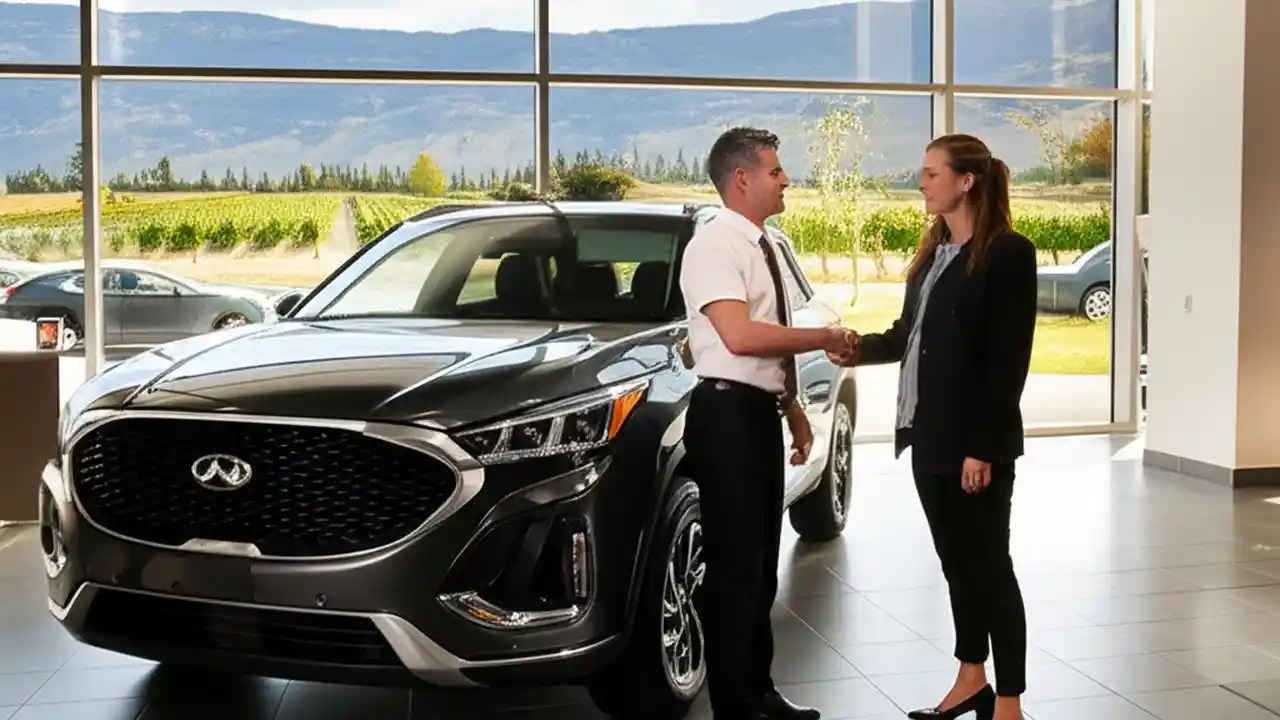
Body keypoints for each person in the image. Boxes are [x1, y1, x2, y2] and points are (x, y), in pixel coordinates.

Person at [831, 134, 1036, 720]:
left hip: (975, 446)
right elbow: (906, 337)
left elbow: (1007, 364)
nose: (921, 183)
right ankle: (971, 676)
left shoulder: (1007, 254)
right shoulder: (934, 254)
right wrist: (857, 349)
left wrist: (983, 449)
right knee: (955, 564)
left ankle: (1010, 701)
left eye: (930, 173)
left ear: (965, 181)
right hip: (928, 437)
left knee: (991, 566)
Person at [679, 126, 855, 720]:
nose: (786, 180)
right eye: (776, 171)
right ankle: (735, 704)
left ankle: (759, 693)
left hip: (757, 414)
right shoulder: (713, 245)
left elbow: (770, 336)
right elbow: (741, 335)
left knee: (759, 566)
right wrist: (826, 336)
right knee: (734, 570)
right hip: (725, 415)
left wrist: (794, 407)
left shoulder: (768, 244)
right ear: (742, 179)